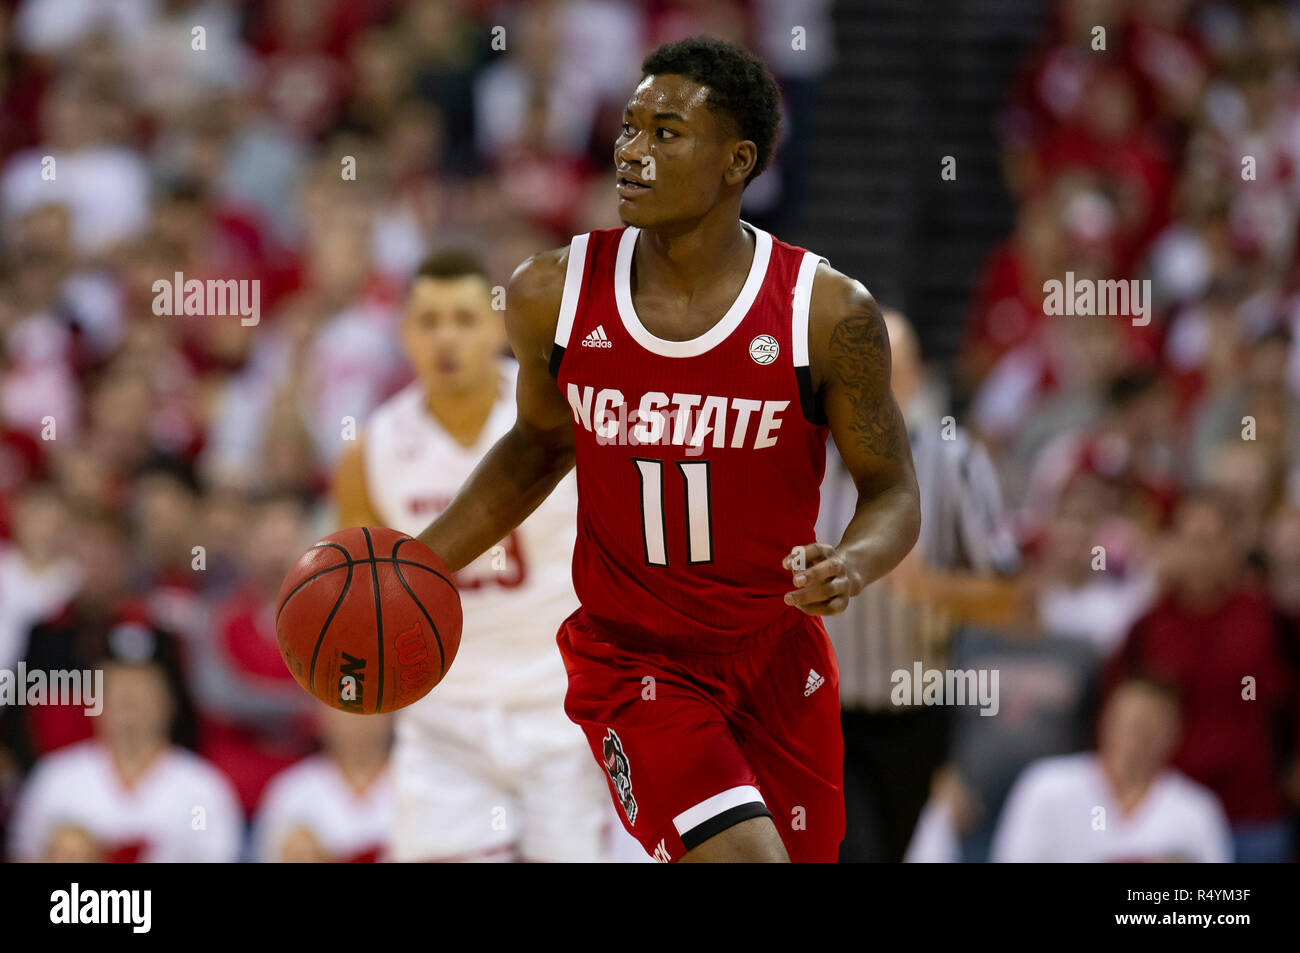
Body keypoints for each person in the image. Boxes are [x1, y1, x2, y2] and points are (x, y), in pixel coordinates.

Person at [414, 37, 921, 863]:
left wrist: (854, 562)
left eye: (667, 133)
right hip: (634, 659)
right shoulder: (553, 293)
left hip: (777, 650)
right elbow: (540, 445)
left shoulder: (825, 313)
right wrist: (420, 565)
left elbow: (894, 490)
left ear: (737, 160)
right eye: (628, 128)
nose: (633, 152)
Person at [334, 250, 627, 862]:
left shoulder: (562, 418)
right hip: (443, 721)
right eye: (430, 320)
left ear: (497, 325)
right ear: (405, 334)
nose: (447, 337)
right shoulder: (371, 452)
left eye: (464, 319)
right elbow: (359, 607)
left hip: (561, 707)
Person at [816, 307, 1019, 862]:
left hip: (914, 715)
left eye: (888, 369)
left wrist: (929, 586)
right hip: (815, 714)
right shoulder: (794, 462)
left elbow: (1008, 598)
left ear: (916, 380)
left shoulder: (957, 465)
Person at [988, 677, 1231, 863]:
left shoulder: (1197, 809)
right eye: (1127, 722)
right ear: (1104, 720)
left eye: (1148, 726)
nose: (1135, 736)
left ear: (1173, 733)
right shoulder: (1046, 786)